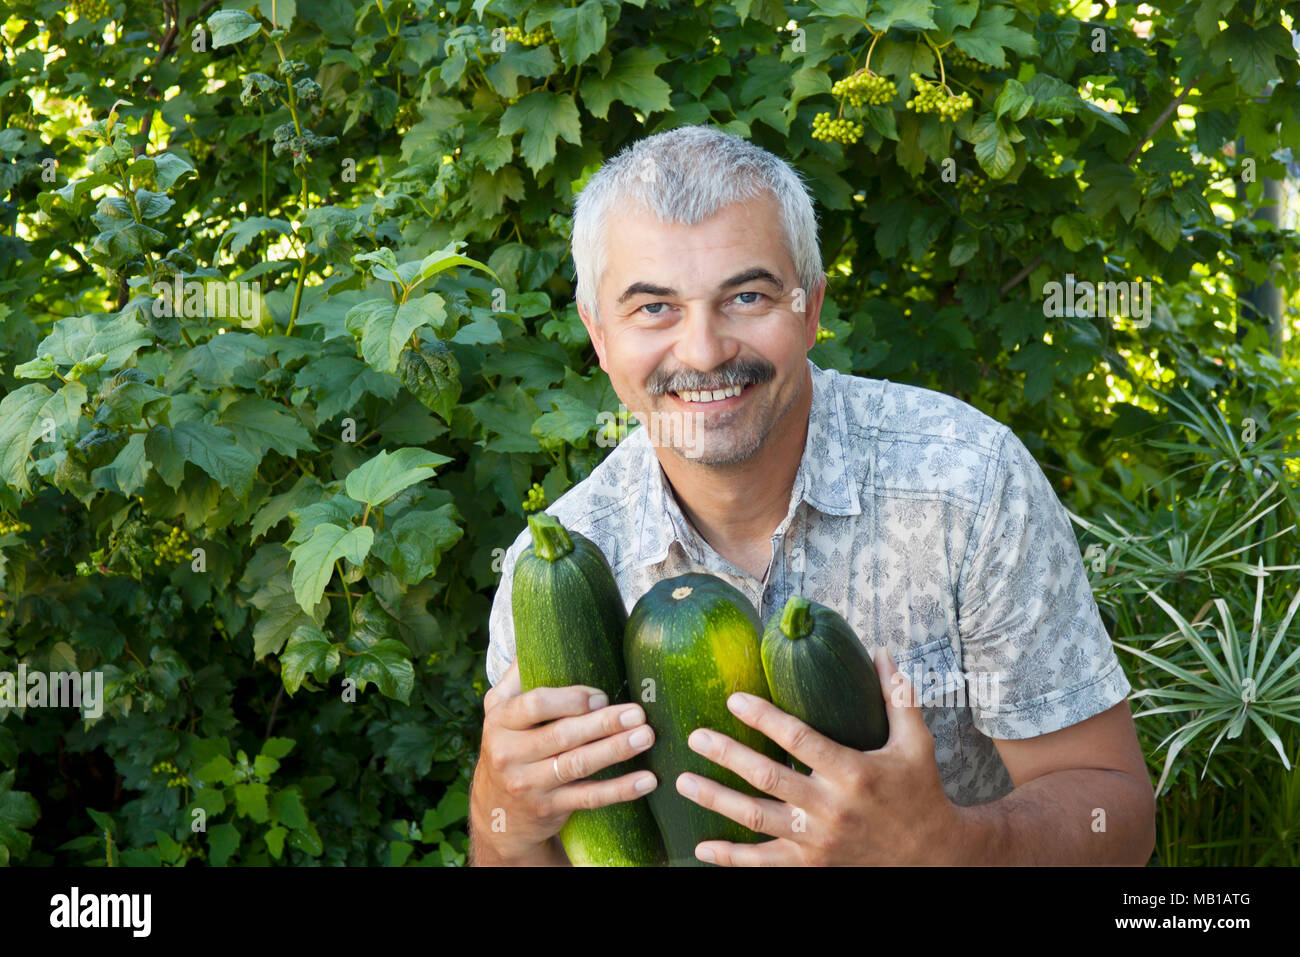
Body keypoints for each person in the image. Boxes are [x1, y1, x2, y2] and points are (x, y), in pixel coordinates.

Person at [468, 124, 1156, 866]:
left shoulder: (966, 485)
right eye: (654, 308)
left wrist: (951, 846)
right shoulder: (563, 560)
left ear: (811, 307)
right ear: (599, 336)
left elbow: (1112, 810)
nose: (703, 351)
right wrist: (500, 820)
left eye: (747, 295)